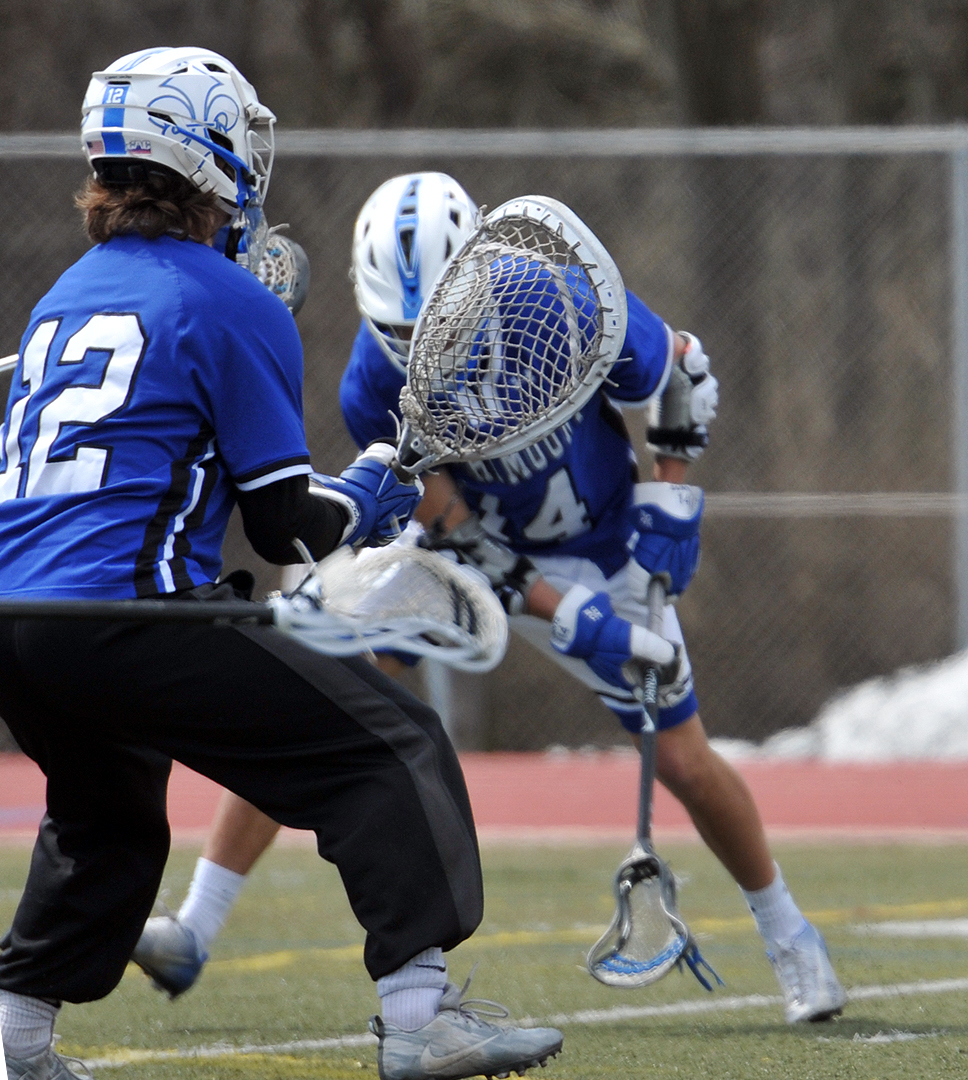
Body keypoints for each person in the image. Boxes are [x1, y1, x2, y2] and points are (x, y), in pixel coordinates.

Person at [131, 171, 850, 1026]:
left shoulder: (558, 297)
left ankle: (791, 937)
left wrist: (671, 495)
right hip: (477, 556)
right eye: (398, 327)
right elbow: (458, 529)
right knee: (318, 690)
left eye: (432, 316)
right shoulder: (371, 383)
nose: (417, 343)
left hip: (604, 543)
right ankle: (196, 927)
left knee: (686, 760)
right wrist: (567, 613)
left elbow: (681, 376)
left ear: (478, 278)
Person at [0, 50, 562, 1080]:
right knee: (389, 746)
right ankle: (419, 1017)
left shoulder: (64, 295)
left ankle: (18, 1048)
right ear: (203, 151)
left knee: (105, 818)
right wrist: (377, 489)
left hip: (19, 628)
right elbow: (287, 527)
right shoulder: (226, 301)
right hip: (131, 619)